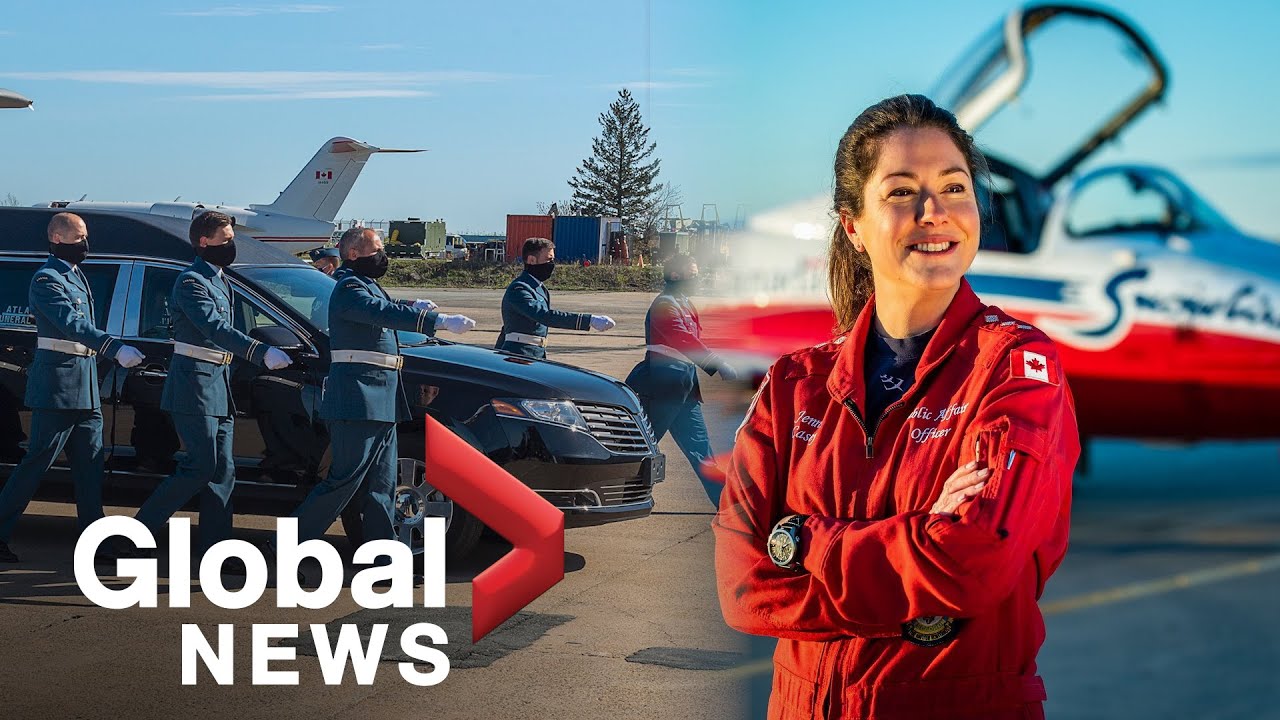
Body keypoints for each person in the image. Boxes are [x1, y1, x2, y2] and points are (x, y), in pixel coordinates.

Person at [713, 95, 1079, 719]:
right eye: (902, 191)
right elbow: (744, 589)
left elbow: (973, 564)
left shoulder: (1015, 369)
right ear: (853, 226)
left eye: (954, 187)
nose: (934, 212)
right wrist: (917, 581)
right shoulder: (793, 385)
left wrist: (800, 538)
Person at [279, 227, 475, 555]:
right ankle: (286, 546)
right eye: (377, 249)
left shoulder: (365, 284)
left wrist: (413, 303)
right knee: (344, 481)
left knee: (381, 486)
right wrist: (435, 320)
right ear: (354, 253)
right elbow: (380, 311)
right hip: (357, 397)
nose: (383, 255)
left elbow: (386, 304)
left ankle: (383, 557)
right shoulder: (348, 286)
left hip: (381, 398)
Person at [133, 211, 294, 556]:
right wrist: (260, 351)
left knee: (223, 472)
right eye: (226, 240)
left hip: (218, 383)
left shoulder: (221, 280)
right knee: (200, 466)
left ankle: (216, 549)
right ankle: (132, 536)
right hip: (194, 383)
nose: (232, 245)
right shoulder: (191, 282)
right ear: (204, 242)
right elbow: (214, 328)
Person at [0, 213, 145, 563]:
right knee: (37, 463)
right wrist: (114, 347)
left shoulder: (75, 275)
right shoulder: (47, 279)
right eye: (78, 237)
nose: (85, 243)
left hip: (85, 385)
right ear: (56, 238)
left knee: (90, 467)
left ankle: (96, 541)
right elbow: (71, 324)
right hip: (58, 387)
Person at [624, 254, 736, 507]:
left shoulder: (683, 302)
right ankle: (622, 494)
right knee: (642, 444)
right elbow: (682, 338)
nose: (696, 278)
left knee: (700, 449)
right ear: (674, 275)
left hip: (685, 388)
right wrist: (716, 363)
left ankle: (727, 506)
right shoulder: (665, 304)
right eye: (692, 273)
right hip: (663, 385)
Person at [495, 237, 614, 359]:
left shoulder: (538, 288)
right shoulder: (519, 289)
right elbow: (544, 316)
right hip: (518, 355)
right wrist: (588, 320)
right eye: (549, 259)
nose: (552, 264)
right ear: (531, 260)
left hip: (534, 354)